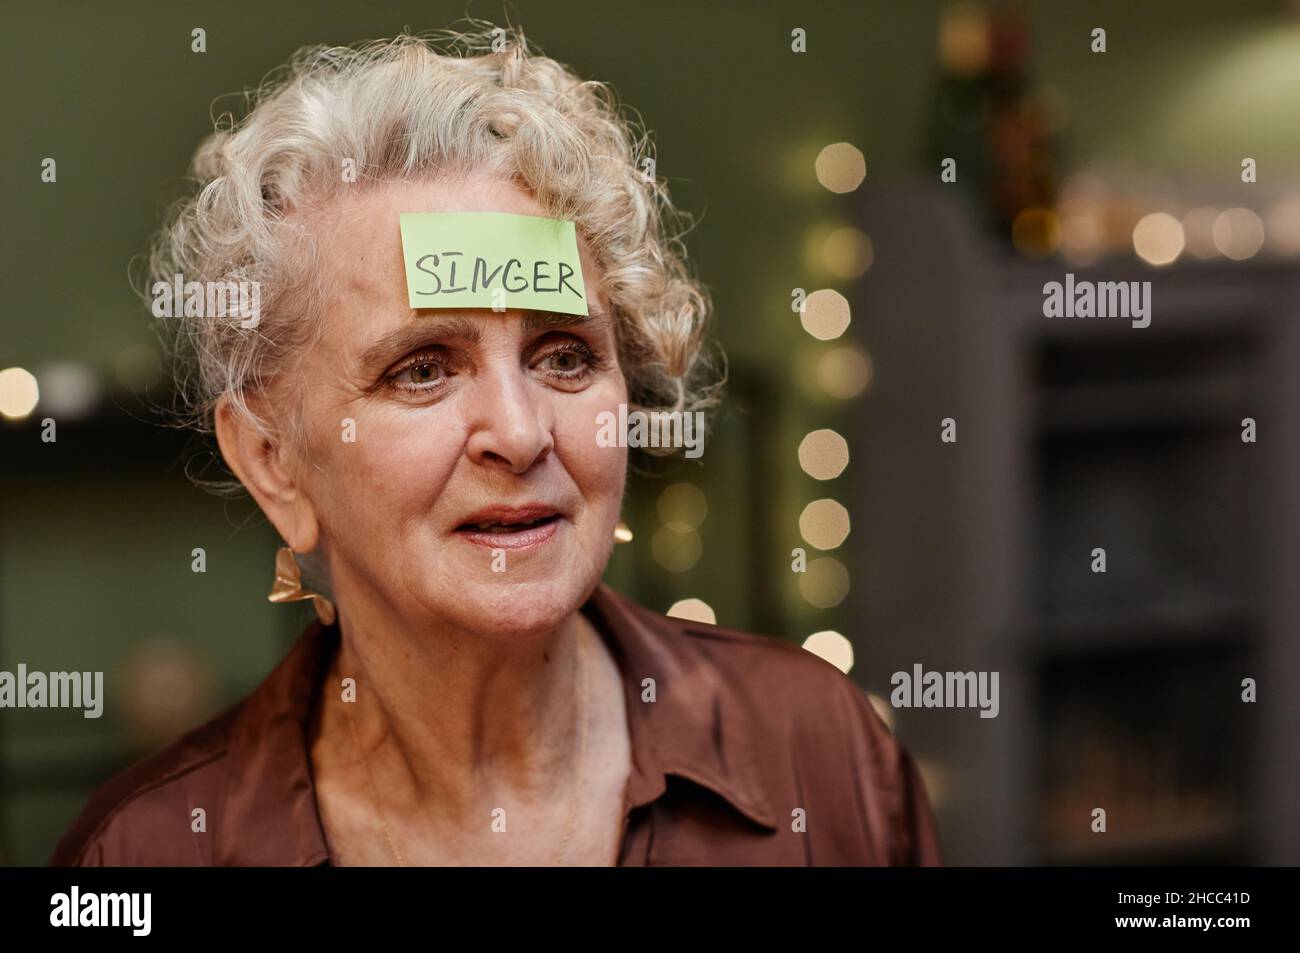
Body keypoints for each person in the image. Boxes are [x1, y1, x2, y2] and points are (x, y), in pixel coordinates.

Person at [49, 26, 942, 866]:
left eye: (565, 356)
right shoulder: (147, 852)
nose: (520, 433)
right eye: (423, 370)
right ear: (272, 462)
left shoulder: (818, 754)